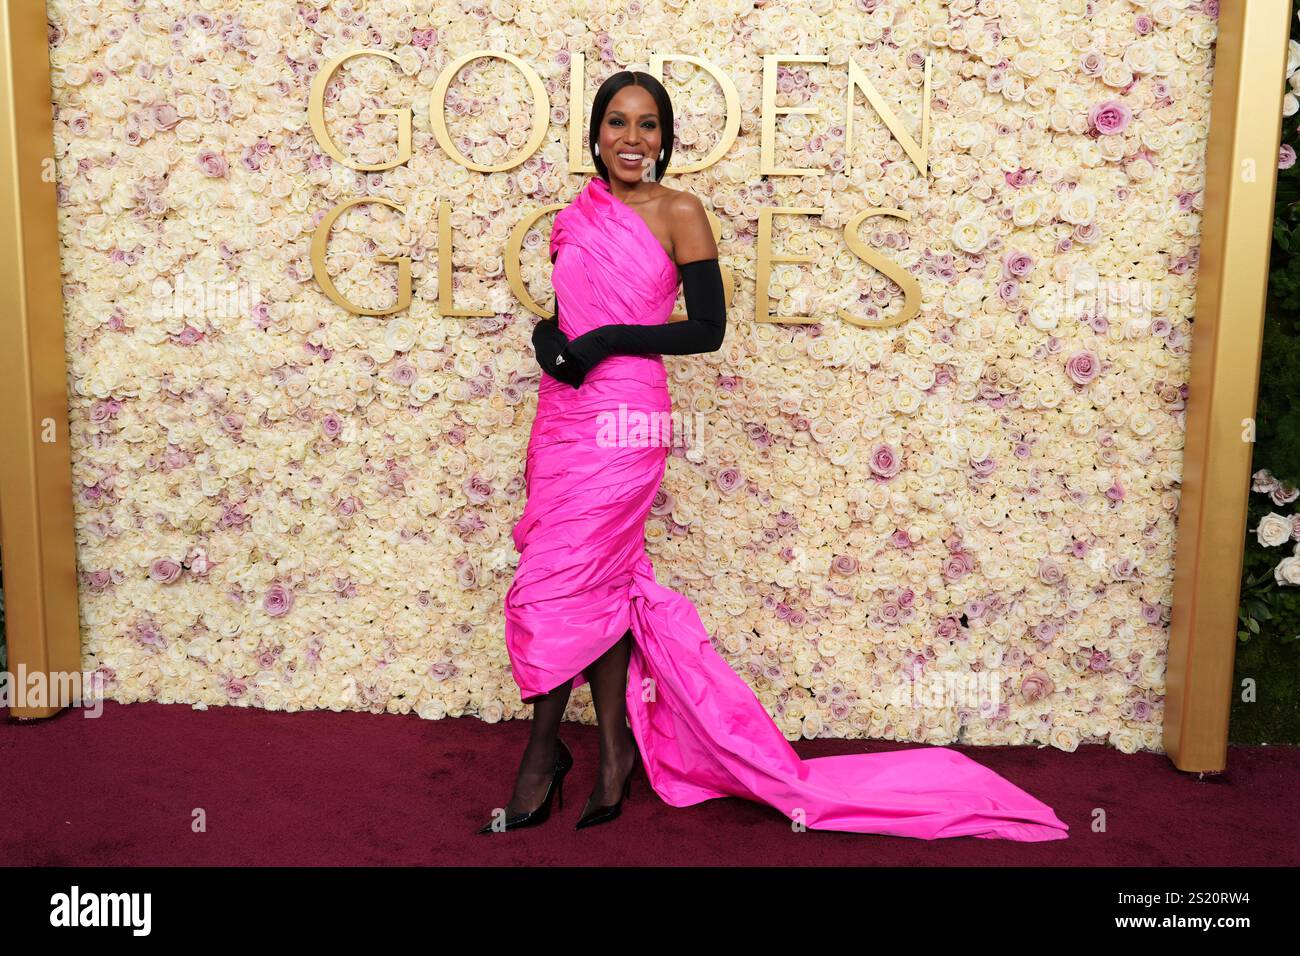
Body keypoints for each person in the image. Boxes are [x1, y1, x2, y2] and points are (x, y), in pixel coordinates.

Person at [478, 71, 1069, 842]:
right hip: (563, 415)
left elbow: (707, 329)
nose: (632, 139)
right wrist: (547, 340)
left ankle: (538, 759)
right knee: (589, 575)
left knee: (569, 574)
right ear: (594, 134)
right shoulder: (574, 216)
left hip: (627, 418)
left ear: (666, 138)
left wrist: (608, 340)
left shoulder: (681, 212)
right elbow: (562, 314)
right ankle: (614, 752)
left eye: (648, 125)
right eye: (617, 123)